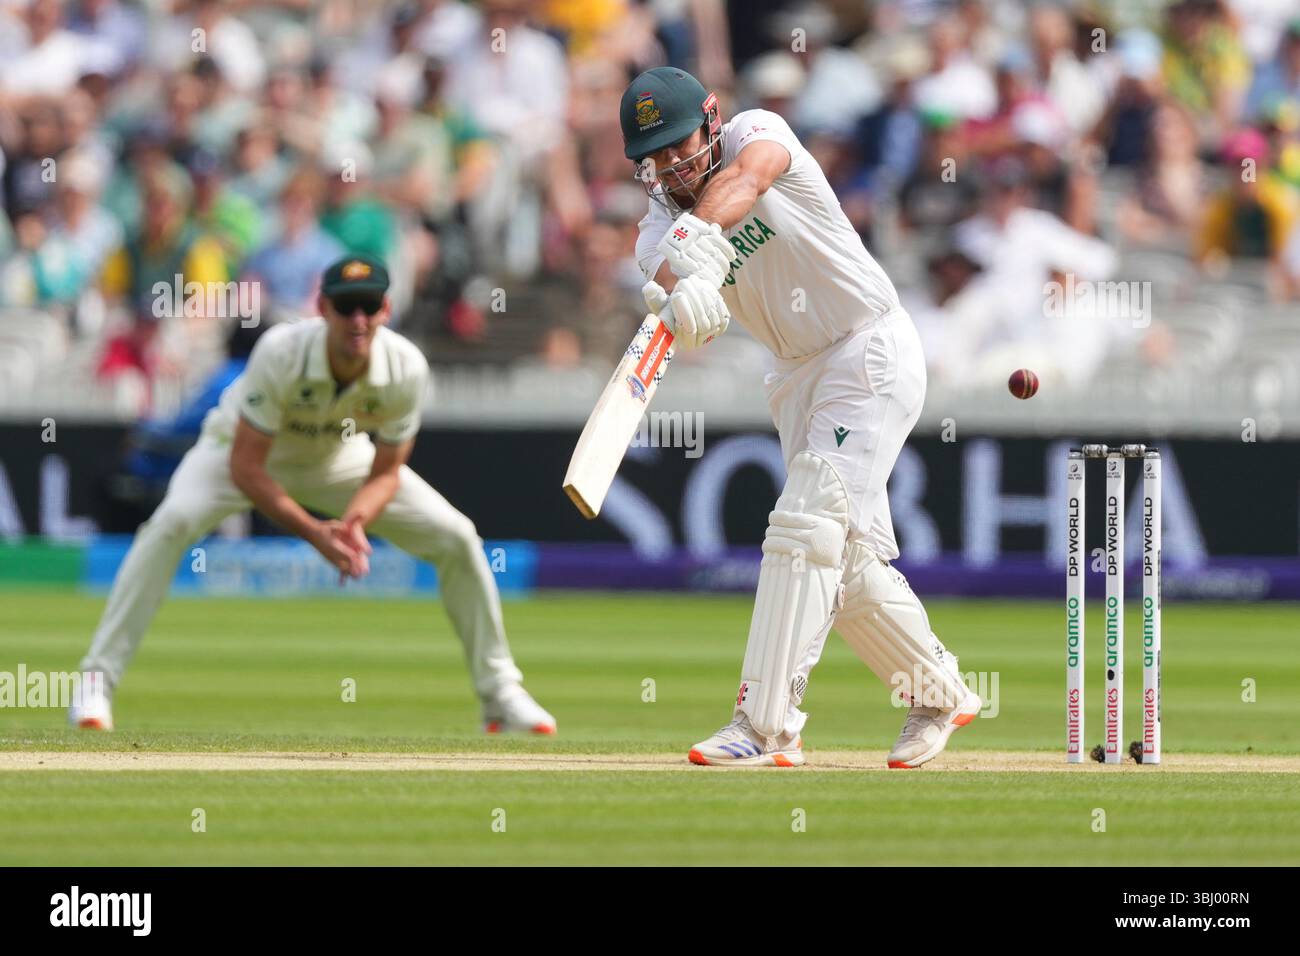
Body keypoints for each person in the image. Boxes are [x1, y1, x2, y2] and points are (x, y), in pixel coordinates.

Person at [621, 67, 980, 768]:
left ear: (713, 118)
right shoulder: (654, 231)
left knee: (804, 521)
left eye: (678, 144)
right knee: (840, 562)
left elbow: (747, 181)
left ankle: (763, 726)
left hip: (866, 345)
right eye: (654, 157)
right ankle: (939, 691)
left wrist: (691, 240)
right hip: (794, 376)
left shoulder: (759, 132)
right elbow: (668, 291)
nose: (670, 166)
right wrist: (677, 304)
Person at [69, 254, 555, 736]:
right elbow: (246, 466)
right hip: (234, 453)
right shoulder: (281, 352)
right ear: (322, 308)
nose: (358, 320)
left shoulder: (406, 367)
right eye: (346, 307)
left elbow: (386, 470)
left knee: (457, 536)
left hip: (336, 456)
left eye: (369, 306)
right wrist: (314, 533)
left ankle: (500, 695)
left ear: (386, 309)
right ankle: (96, 681)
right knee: (170, 525)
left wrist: (355, 522)